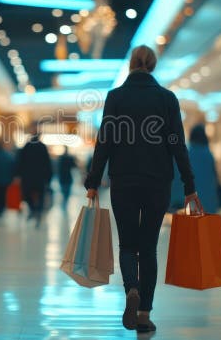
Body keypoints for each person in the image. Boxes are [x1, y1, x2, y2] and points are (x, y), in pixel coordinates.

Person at [85, 46, 198, 333]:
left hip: (123, 181)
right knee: (148, 248)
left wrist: (93, 181)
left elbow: (105, 141)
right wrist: (189, 185)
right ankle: (144, 314)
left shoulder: (116, 98)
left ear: (131, 65)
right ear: (153, 66)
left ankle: (131, 289)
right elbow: (177, 145)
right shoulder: (167, 99)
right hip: (157, 182)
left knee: (127, 245)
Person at [14, 124, 53, 228]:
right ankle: (37, 212)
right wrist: (48, 178)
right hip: (40, 177)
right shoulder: (42, 147)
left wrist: (18, 175)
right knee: (40, 195)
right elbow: (48, 164)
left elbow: (20, 162)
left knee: (27, 195)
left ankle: (33, 210)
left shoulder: (27, 146)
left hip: (28, 177)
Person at [188, 124, 220, 214]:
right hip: (209, 198)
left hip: (192, 197)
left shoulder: (188, 153)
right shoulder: (208, 154)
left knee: (191, 226)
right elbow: (214, 176)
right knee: (207, 226)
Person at [57, 147, 77, 212]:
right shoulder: (70, 158)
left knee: (63, 192)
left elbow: (58, 168)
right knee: (67, 192)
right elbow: (74, 166)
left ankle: (64, 203)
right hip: (68, 178)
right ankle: (65, 203)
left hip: (62, 178)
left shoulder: (61, 158)